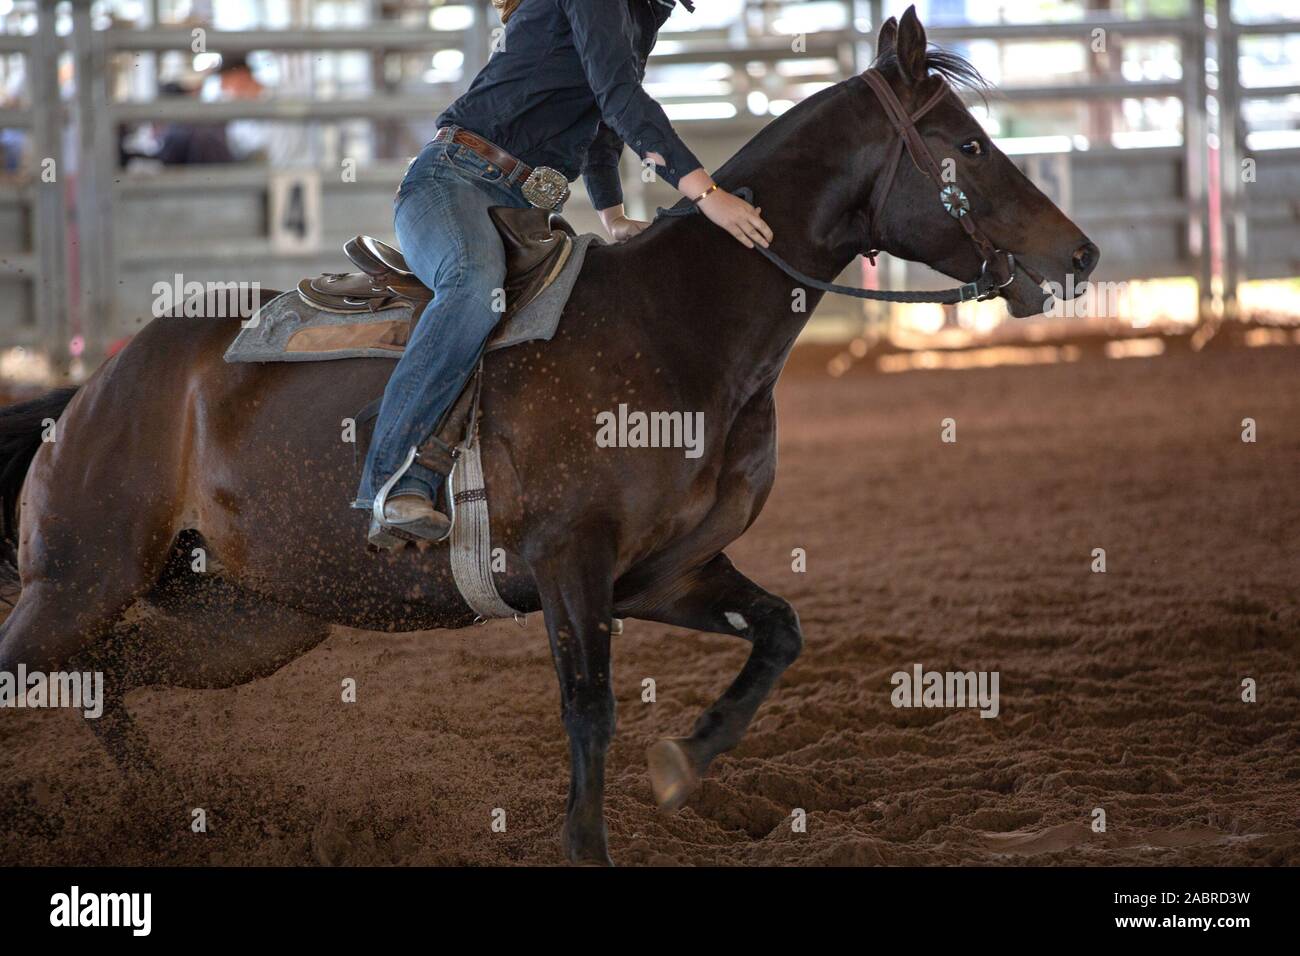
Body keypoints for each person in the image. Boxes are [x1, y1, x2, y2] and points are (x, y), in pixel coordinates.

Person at [356, 0, 773, 547]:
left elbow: (603, 118)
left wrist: (612, 215)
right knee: (474, 288)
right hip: (451, 181)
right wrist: (706, 193)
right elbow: (621, 99)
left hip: (519, 205)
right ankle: (391, 481)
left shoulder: (644, 11)